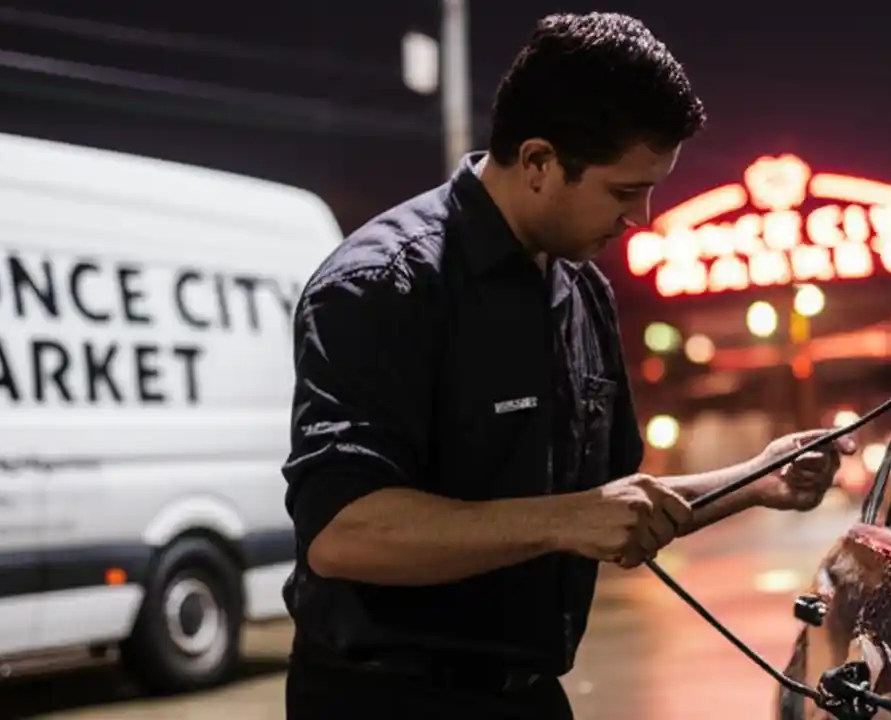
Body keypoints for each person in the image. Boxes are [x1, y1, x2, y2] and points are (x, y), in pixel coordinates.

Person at [281, 11, 855, 720]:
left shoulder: (582, 290)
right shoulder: (384, 285)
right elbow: (342, 534)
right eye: (623, 191)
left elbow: (616, 505)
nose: (643, 218)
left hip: (531, 698)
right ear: (539, 162)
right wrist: (563, 521)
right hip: (383, 700)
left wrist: (756, 479)